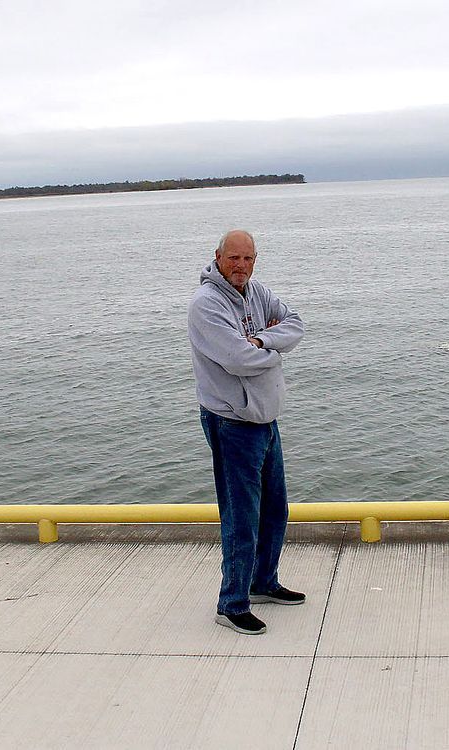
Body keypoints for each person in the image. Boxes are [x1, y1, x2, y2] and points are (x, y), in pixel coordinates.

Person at [188, 229, 306, 635]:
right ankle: (232, 602)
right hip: (232, 423)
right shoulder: (206, 305)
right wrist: (271, 351)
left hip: (266, 417)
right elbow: (238, 360)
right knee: (242, 516)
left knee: (276, 509)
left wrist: (260, 340)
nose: (241, 266)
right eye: (234, 258)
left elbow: (296, 323)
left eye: (249, 258)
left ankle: (262, 583)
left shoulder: (258, 292)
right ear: (217, 257)